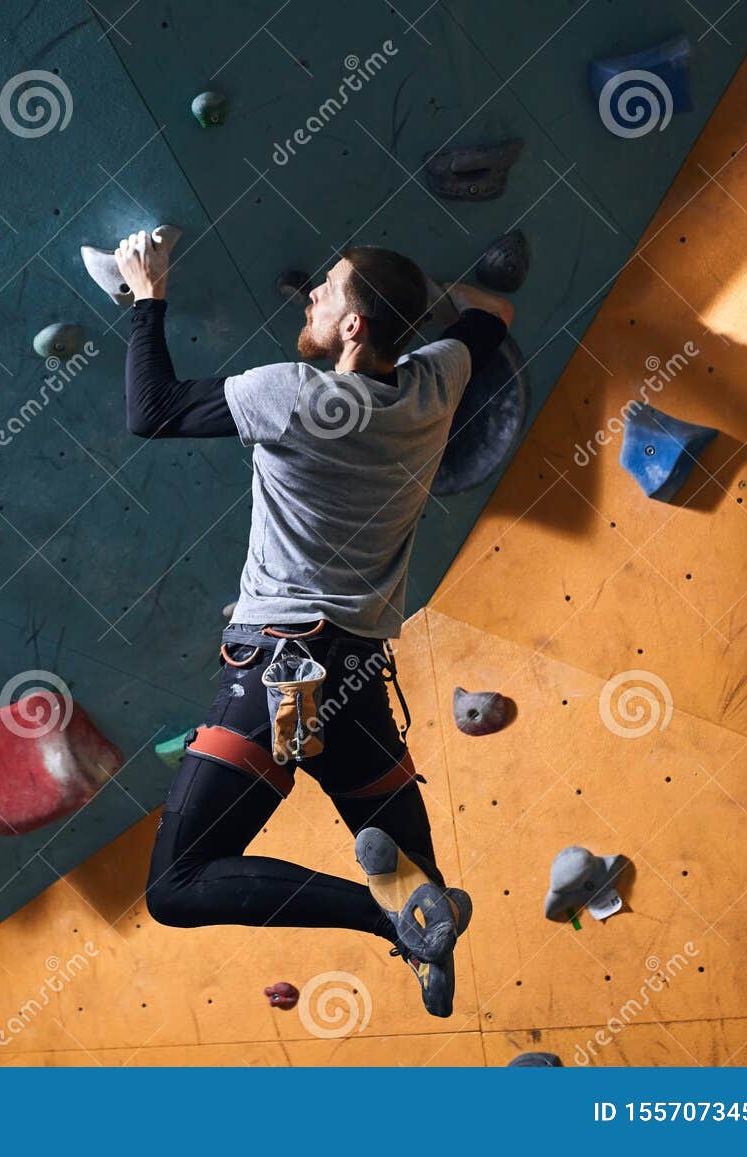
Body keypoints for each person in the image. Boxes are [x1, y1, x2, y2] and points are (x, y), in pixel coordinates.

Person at [117, 231, 514, 1017]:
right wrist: (408, 294)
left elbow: (151, 411)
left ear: (356, 326)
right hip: (358, 679)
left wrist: (145, 294)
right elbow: (492, 312)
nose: (313, 297)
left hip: (278, 670)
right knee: (415, 873)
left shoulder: (291, 395)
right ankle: (422, 935)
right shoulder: (436, 385)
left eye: (328, 290)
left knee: (175, 885)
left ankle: (391, 919)